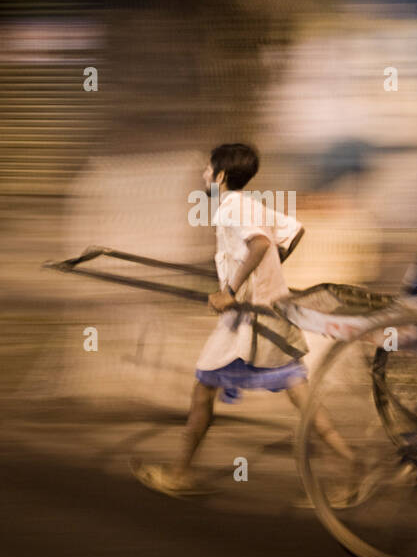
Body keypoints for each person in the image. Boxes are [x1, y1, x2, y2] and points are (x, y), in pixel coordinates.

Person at [133, 143, 363, 500]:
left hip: (249, 323)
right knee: (298, 393)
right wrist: (271, 273)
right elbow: (293, 231)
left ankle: (180, 474)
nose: (204, 175)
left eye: (208, 170)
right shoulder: (252, 204)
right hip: (268, 314)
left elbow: (257, 245)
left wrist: (233, 289)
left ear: (221, 176)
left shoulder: (228, 209)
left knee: (204, 388)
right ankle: (348, 462)